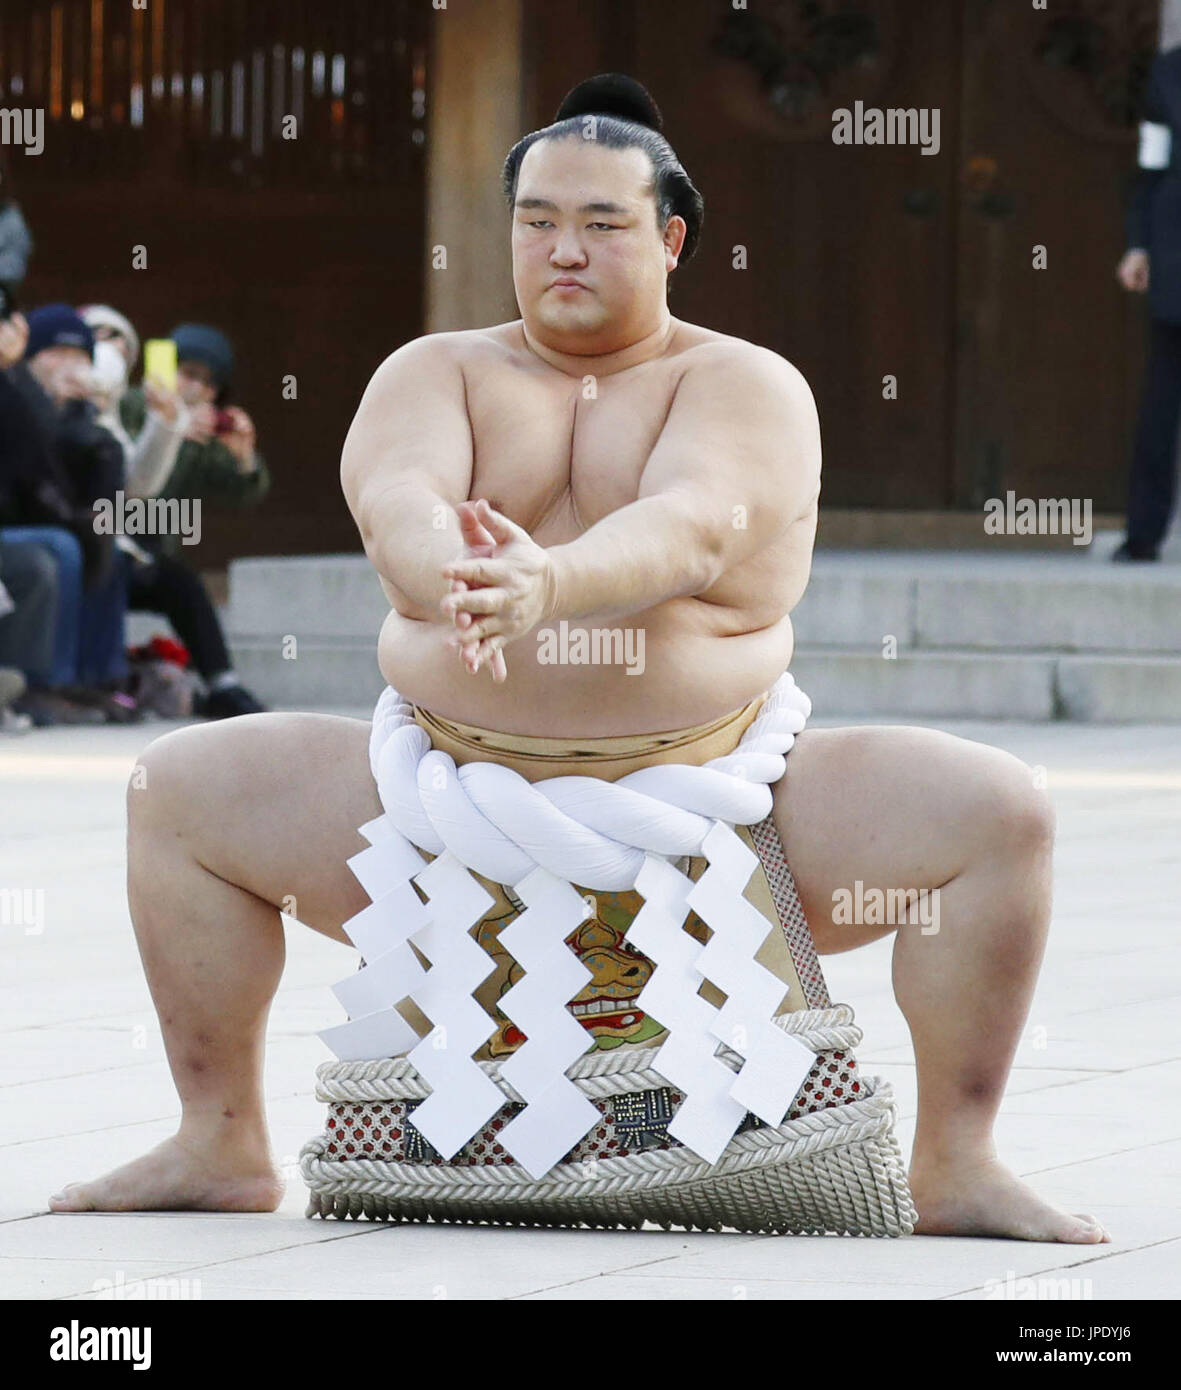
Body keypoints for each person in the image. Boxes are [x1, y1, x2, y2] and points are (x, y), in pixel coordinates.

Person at [48, 74, 1109, 1243]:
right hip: (439, 803)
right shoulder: (433, 370)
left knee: (994, 812)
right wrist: (450, 563)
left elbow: (699, 520)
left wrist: (549, 581)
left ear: (668, 239)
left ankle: (954, 1161)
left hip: (724, 812)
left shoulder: (740, 383)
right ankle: (220, 1139)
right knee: (180, 792)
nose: (564, 249)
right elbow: (393, 499)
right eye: (536, 219)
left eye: (601, 224)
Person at [117, 322, 268, 718]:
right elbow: (133, 485)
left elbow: (243, 492)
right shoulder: (132, 404)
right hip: (107, 542)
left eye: (209, 382)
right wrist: (174, 430)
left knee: (182, 582)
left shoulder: (202, 430)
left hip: (151, 560)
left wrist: (243, 455)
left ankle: (223, 684)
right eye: (188, 373)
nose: (196, 388)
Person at [1115, 43, 1181, 561]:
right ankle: (1144, 533)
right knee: (1161, 403)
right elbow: (1150, 169)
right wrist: (1138, 245)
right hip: (1174, 256)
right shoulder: (1168, 72)